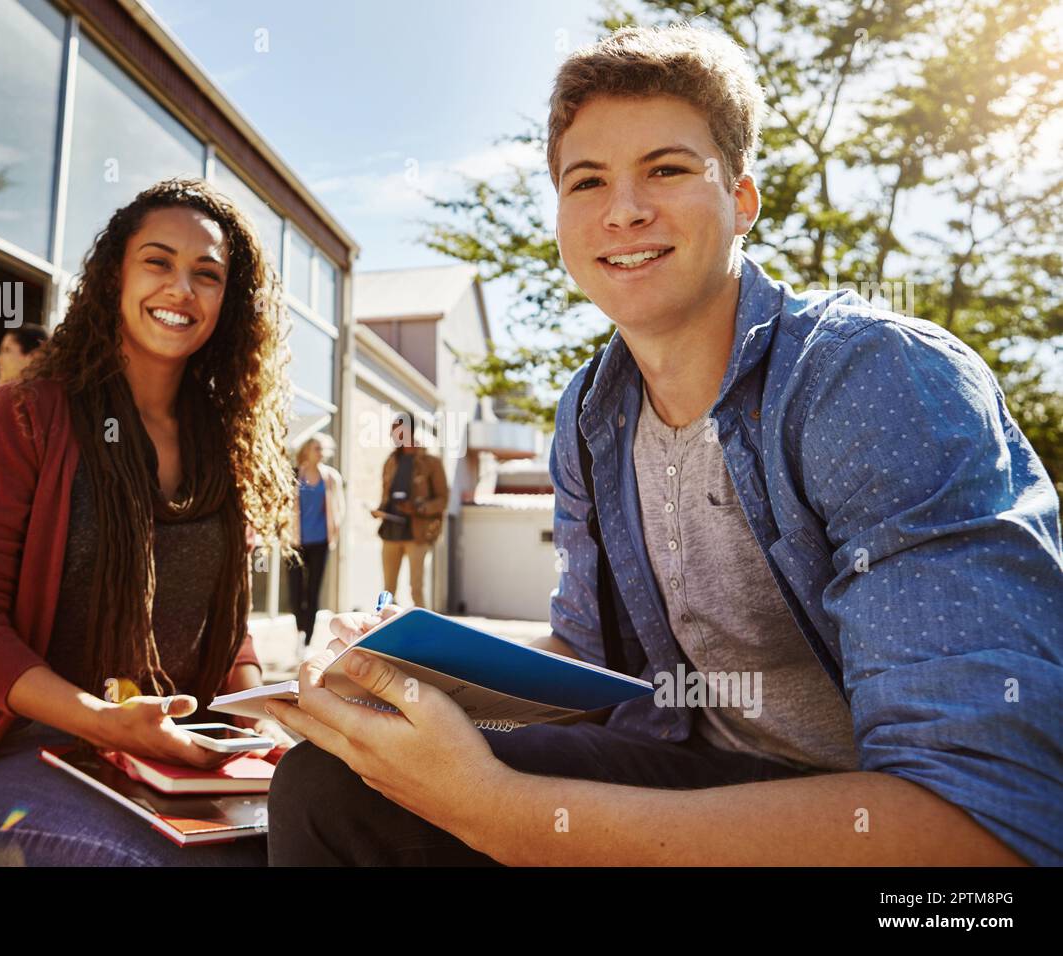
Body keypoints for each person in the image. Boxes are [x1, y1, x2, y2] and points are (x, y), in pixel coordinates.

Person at [263, 24, 1063, 866]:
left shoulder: (876, 380)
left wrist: (501, 813)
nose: (624, 210)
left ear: (743, 198)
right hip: (701, 772)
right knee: (332, 781)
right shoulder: (589, 412)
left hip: (872, 821)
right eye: (587, 181)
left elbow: (983, 828)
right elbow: (586, 657)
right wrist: (405, 669)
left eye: (668, 169)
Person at [0, 178, 297, 866]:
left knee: (305, 842)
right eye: (158, 261)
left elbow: (221, 629)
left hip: (168, 756)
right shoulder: (27, 414)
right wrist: (102, 720)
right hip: (23, 754)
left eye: (206, 274)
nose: (182, 288)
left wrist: (258, 719)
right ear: (114, 274)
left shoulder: (224, 438)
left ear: (227, 301)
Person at [370, 412, 447, 608]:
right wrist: (379, 510)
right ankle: (387, 632)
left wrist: (418, 508)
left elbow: (442, 499)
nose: (391, 434)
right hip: (390, 531)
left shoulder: (431, 462)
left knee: (416, 588)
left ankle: (426, 634)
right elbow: (386, 496)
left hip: (417, 533)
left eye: (396, 429)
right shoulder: (391, 461)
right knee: (387, 590)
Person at [288, 434, 344, 658]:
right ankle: (300, 630)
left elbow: (339, 508)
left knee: (313, 592)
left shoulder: (330, 477)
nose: (320, 452)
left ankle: (307, 640)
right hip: (294, 543)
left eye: (322, 448)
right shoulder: (294, 475)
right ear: (307, 451)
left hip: (320, 542)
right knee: (294, 593)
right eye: (316, 448)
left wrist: (335, 533)